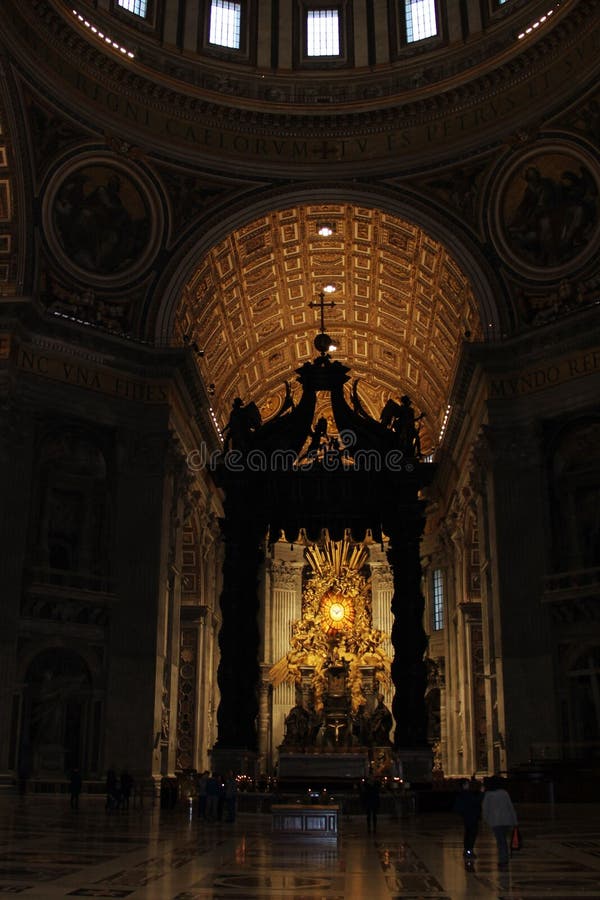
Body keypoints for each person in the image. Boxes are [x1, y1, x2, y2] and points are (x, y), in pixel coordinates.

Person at [482, 776, 518, 868]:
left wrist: (485, 820)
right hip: (506, 820)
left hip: (496, 821)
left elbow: (485, 809)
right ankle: (504, 858)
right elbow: (510, 807)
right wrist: (515, 821)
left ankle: (503, 859)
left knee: (500, 841)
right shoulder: (504, 793)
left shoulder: (488, 794)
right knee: (504, 840)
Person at [453, 777, 482, 860]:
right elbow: (476, 801)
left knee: (468, 834)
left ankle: (466, 850)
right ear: (464, 785)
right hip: (471, 817)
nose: (469, 785)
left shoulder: (461, 794)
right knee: (471, 835)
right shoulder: (466, 794)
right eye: (467, 783)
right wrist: (481, 793)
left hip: (466, 817)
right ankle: (469, 851)